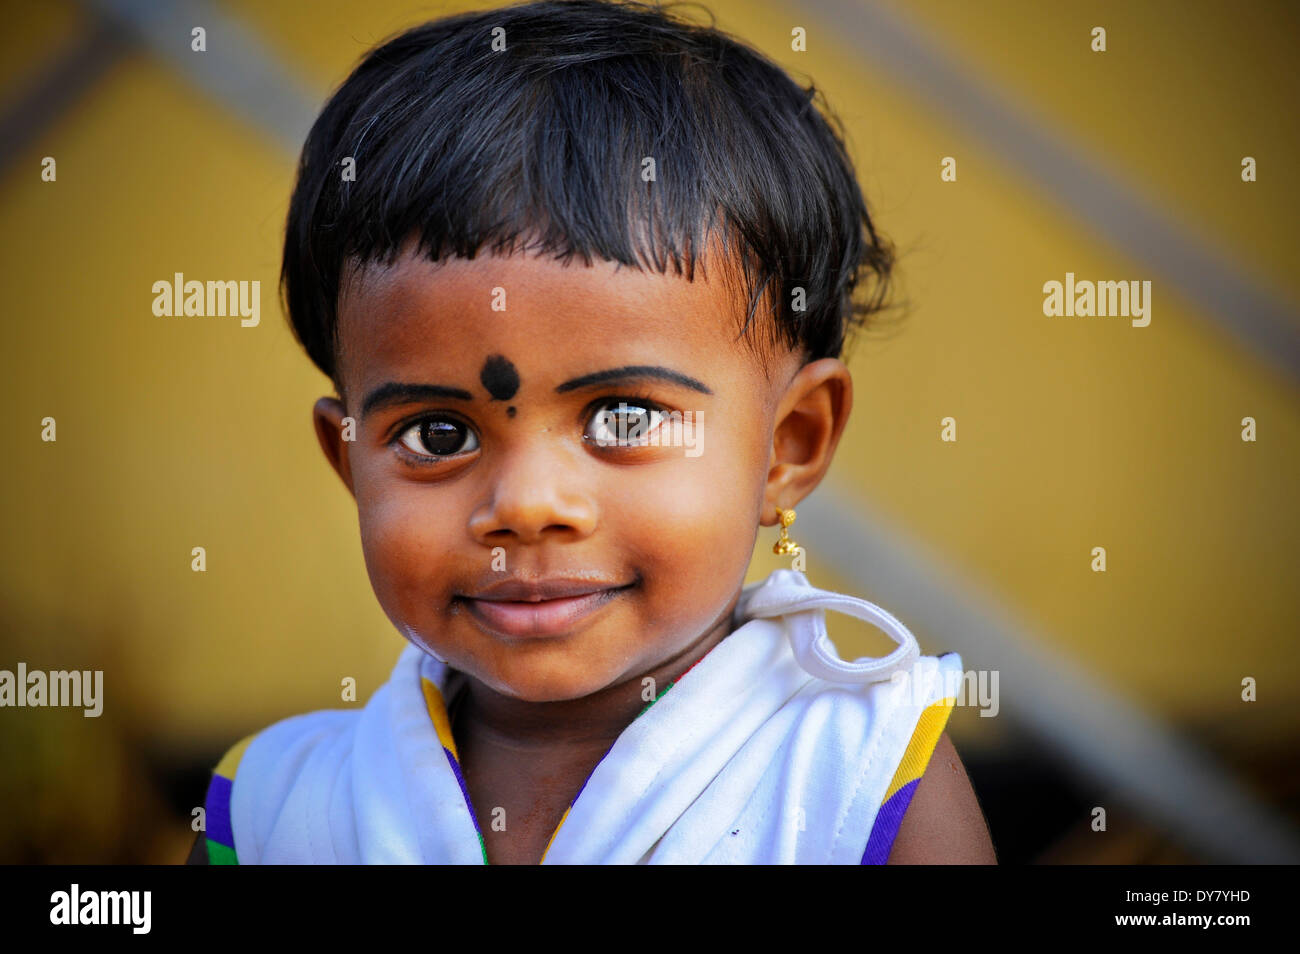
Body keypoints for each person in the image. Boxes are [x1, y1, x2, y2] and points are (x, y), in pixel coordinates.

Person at [187, 0, 995, 865]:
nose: (527, 506)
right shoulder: (279, 807)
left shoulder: (858, 781)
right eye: (437, 434)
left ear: (788, 445)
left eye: (624, 417)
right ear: (349, 460)